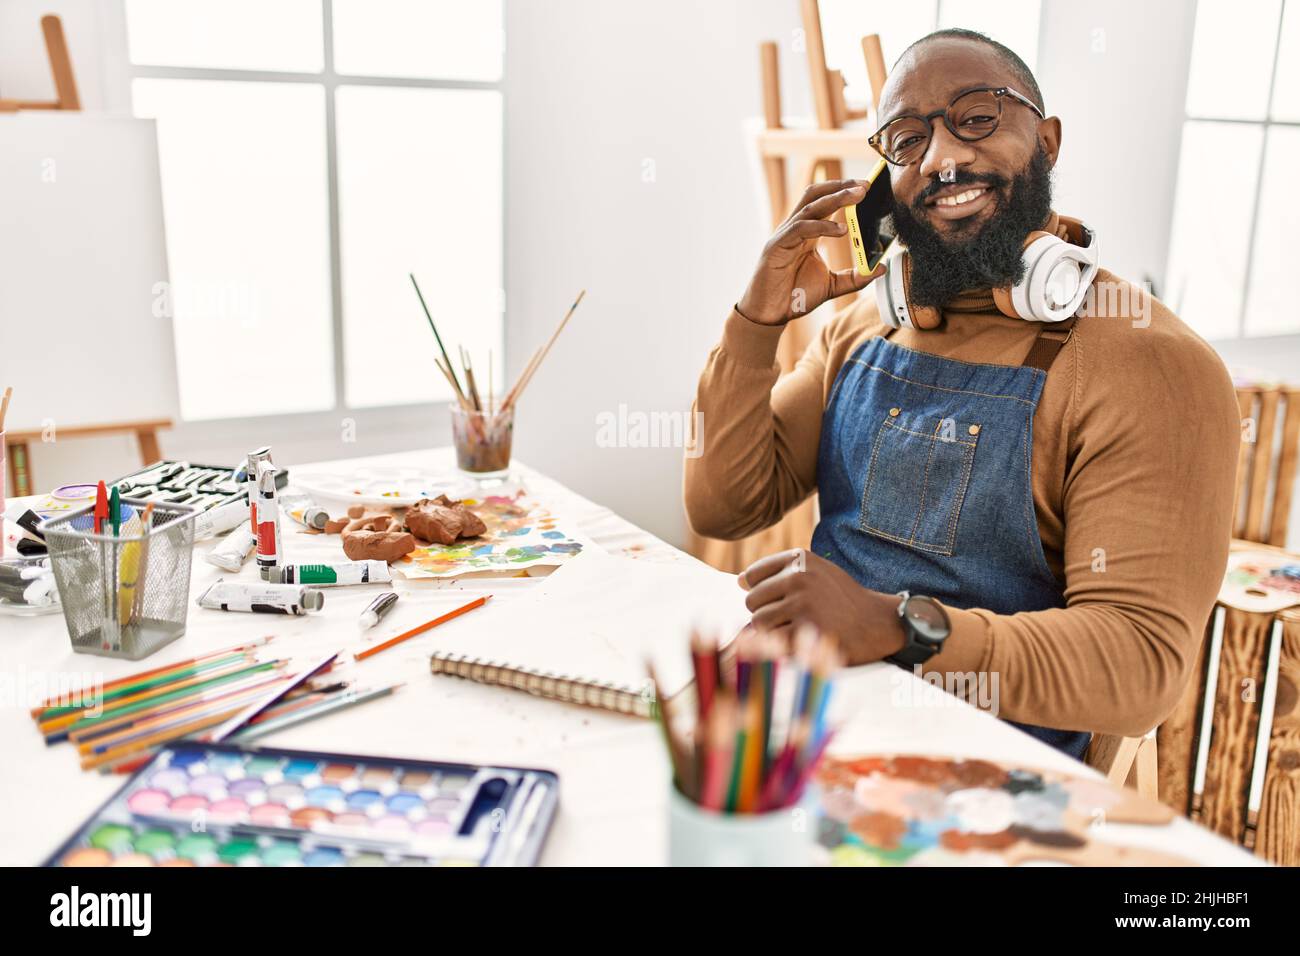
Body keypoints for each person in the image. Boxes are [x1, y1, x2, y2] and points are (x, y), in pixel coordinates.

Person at [683, 28, 1239, 758]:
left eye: (977, 117)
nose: (943, 158)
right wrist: (755, 324)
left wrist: (897, 626)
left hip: (984, 770)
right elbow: (723, 508)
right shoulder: (864, 325)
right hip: (812, 718)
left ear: (1047, 139)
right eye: (908, 140)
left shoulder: (1150, 365)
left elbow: (1139, 666)